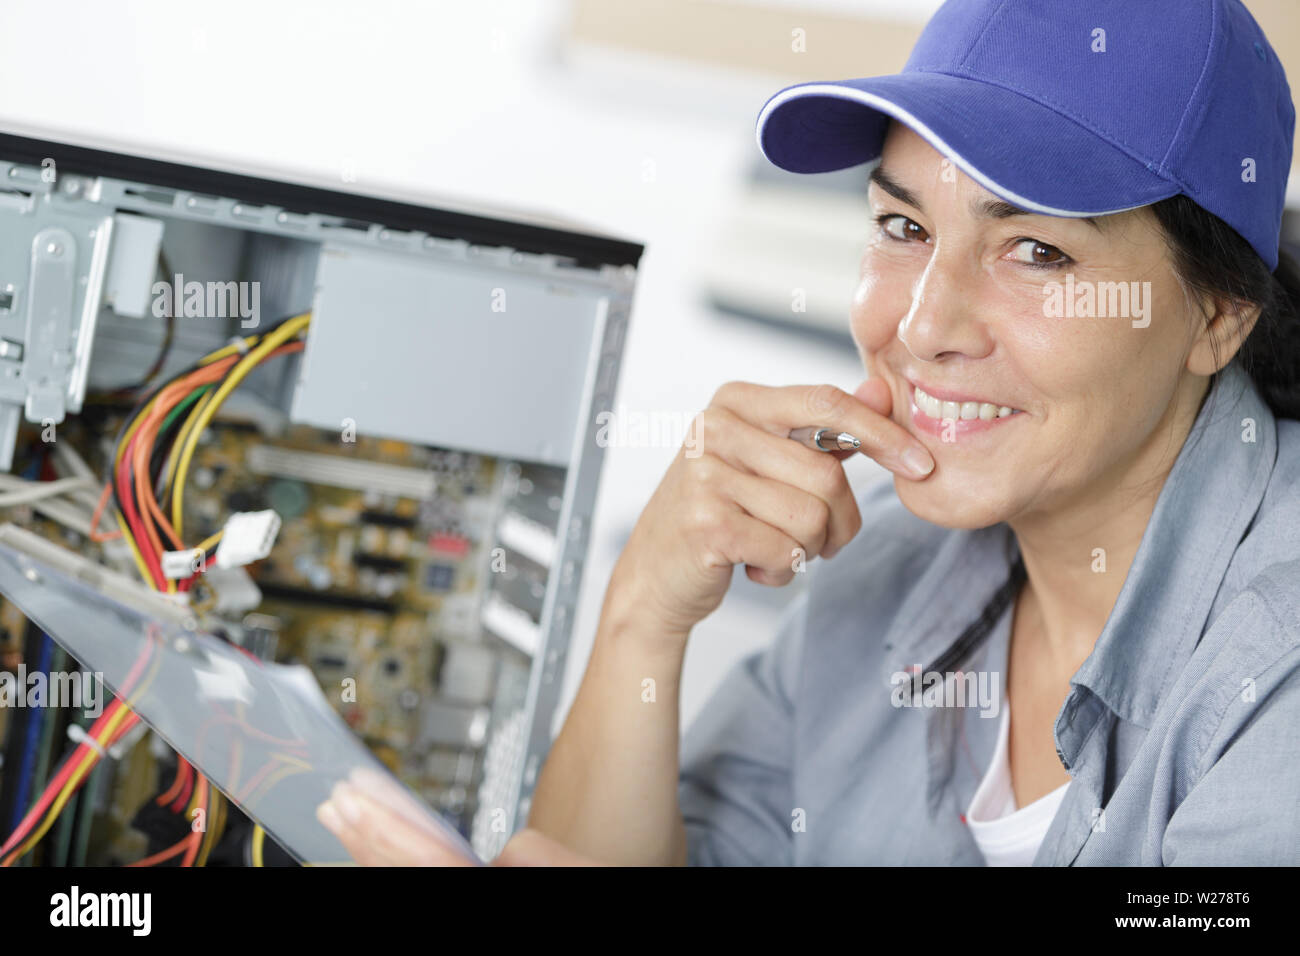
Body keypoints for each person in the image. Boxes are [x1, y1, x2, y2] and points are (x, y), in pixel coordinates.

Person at [317, 0, 1300, 865]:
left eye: (1034, 250)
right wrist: (642, 612)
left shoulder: (1277, 671)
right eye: (903, 228)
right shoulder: (886, 555)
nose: (920, 327)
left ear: (1219, 313)